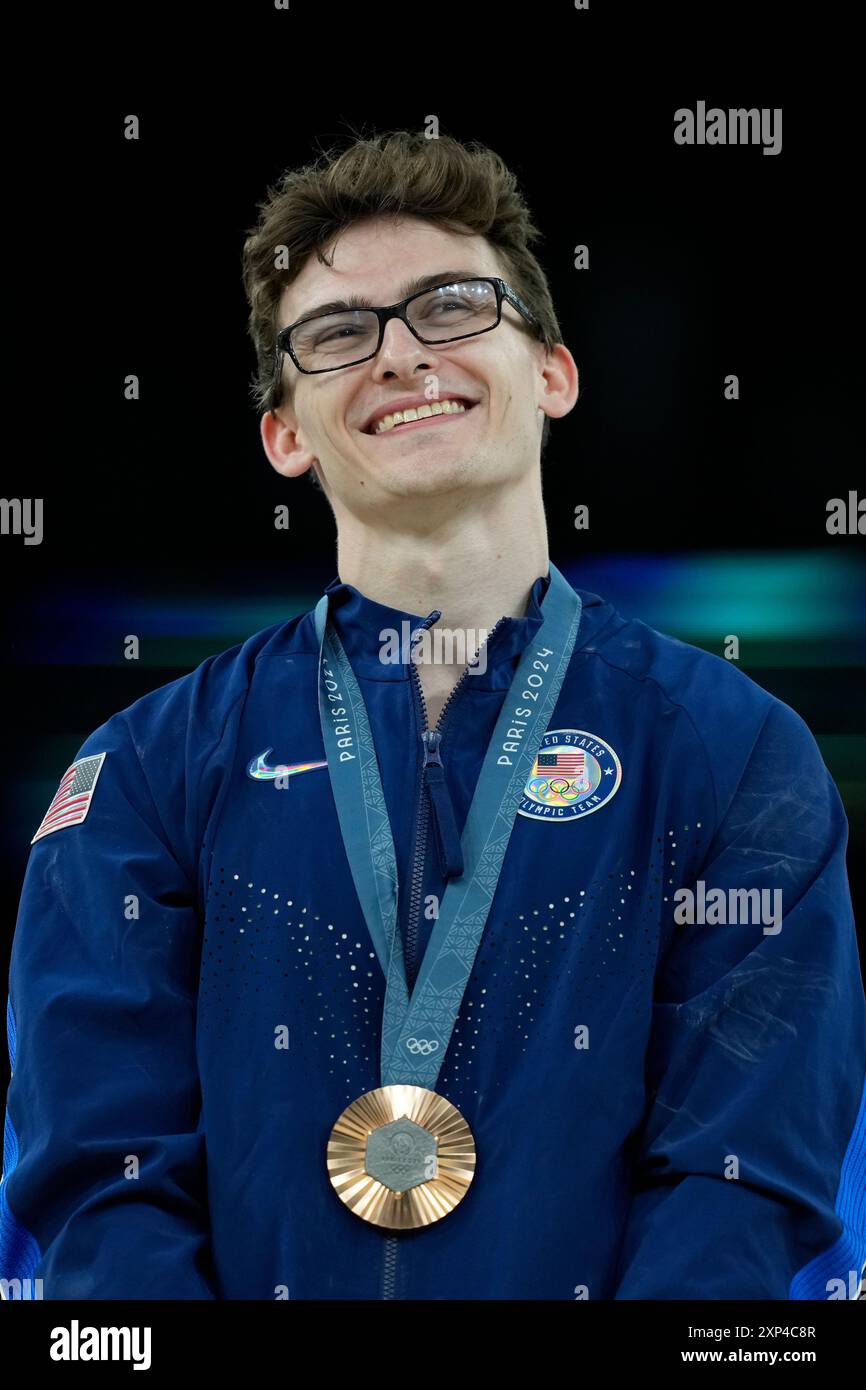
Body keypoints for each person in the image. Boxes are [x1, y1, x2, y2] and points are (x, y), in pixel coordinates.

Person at [1, 130, 864, 1302]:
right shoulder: (145, 771)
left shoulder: (733, 749)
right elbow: (101, 1183)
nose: (402, 355)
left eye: (452, 308)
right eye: (340, 333)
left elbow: (746, 1173)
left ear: (551, 370)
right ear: (286, 435)